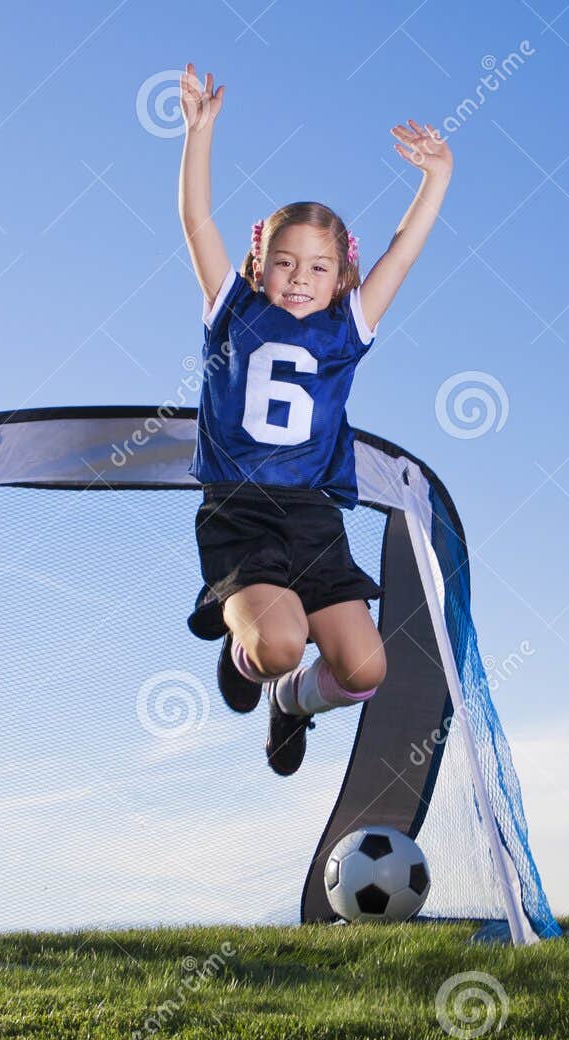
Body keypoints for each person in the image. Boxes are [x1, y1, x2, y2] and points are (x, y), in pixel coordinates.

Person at [176, 62, 452, 774]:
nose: (299, 278)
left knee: (364, 671)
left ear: (341, 279)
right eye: (285, 263)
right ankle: (247, 651)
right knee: (280, 641)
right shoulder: (233, 311)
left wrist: (436, 179)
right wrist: (199, 133)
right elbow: (196, 221)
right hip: (240, 511)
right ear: (259, 265)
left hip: (314, 517)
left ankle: (291, 700)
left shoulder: (346, 328)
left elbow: (403, 253)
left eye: (318, 267)